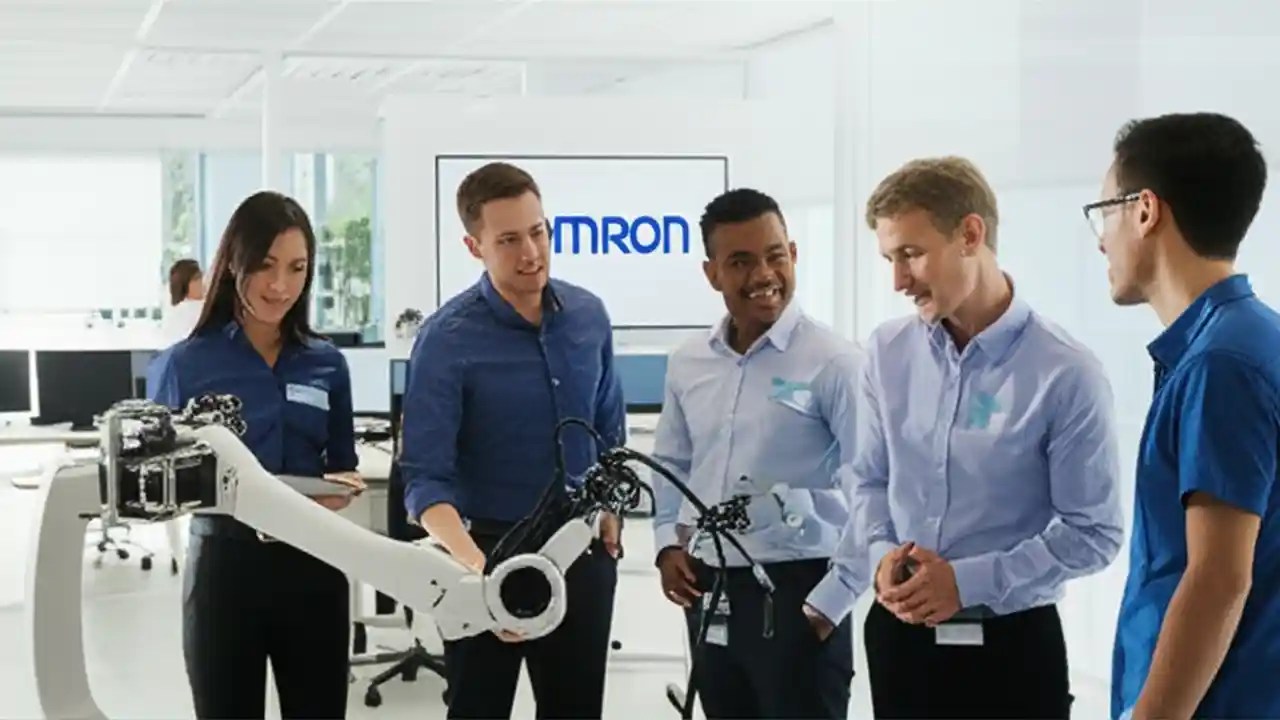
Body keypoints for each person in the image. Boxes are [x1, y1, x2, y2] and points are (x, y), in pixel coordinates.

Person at [815, 156, 1125, 719]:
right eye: (889, 260)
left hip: (1012, 650)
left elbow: (1094, 532)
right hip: (899, 640)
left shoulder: (1065, 372)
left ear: (970, 235)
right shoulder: (885, 353)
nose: (898, 281)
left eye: (911, 254)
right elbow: (868, 480)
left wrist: (967, 581)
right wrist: (882, 556)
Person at [399, 161, 625, 719]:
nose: (531, 253)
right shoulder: (445, 340)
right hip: (482, 554)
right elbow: (424, 479)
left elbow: (609, 435)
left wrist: (611, 514)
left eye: (538, 232)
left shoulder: (589, 317)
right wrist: (482, 576)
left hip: (579, 552)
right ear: (474, 246)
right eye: (508, 240)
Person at [148, 190, 365, 720]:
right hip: (226, 570)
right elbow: (156, 479)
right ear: (233, 263)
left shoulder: (326, 363)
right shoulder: (183, 365)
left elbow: (341, 462)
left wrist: (340, 488)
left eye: (297, 268)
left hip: (314, 562)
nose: (280, 285)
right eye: (265, 265)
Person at [1096, 112, 1280, 720]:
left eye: (1105, 212)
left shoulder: (1220, 364)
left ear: (1145, 210)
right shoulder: (1253, 339)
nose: (1101, 240)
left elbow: (1218, 579)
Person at [651, 188, 861, 719]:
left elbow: (873, 489)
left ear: (794, 254)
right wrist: (667, 545)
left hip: (802, 585)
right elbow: (673, 463)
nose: (763, 275)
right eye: (741, 262)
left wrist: (830, 603)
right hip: (710, 583)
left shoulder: (835, 361)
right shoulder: (688, 362)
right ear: (712, 273)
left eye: (775, 255)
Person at [161, 258, 205, 345]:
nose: (203, 281)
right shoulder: (196, 309)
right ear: (186, 284)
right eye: (198, 277)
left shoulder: (173, 311)